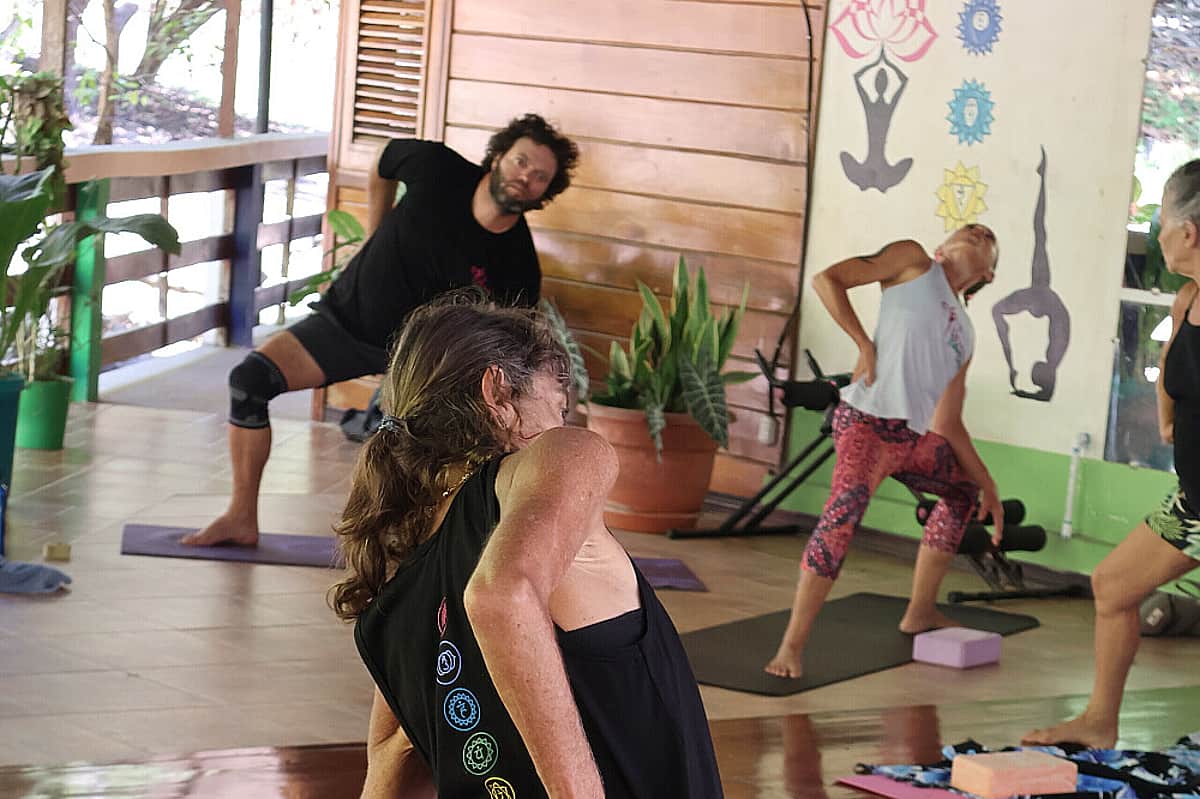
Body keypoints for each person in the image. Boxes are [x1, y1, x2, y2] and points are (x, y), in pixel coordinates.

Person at [329, 295, 724, 798]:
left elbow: (389, 768)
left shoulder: (399, 582)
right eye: (557, 406)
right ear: (497, 390)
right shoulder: (564, 453)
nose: (562, 423)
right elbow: (499, 594)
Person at [183, 113, 579, 547]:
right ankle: (241, 517)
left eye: (540, 176)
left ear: (547, 192)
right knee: (249, 382)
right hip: (349, 322)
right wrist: (375, 227)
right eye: (521, 162)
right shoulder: (438, 169)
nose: (526, 177)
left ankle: (431, 549)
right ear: (499, 156)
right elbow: (383, 160)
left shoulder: (517, 264)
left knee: (415, 455)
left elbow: (503, 343)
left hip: (421, 367)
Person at [765, 224, 1003, 679]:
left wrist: (987, 484)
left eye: (985, 237)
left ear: (988, 274)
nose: (975, 230)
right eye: (967, 228)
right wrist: (863, 343)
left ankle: (920, 612)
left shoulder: (966, 336)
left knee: (961, 493)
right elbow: (826, 280)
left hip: (910, 441)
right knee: (843, 515)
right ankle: (790, 647)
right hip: (865, 427)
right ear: (941, 246)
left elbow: (948, 423)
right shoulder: (913, 261)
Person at [1023, 161, 1200, 749]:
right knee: (1114, 586)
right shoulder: (1187, 299)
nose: (1157, 233)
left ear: (1188, 233)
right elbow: (1171, 378)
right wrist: (1172, 422)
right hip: (1194, 504)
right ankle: (1099, 721)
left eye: (1161, 221)